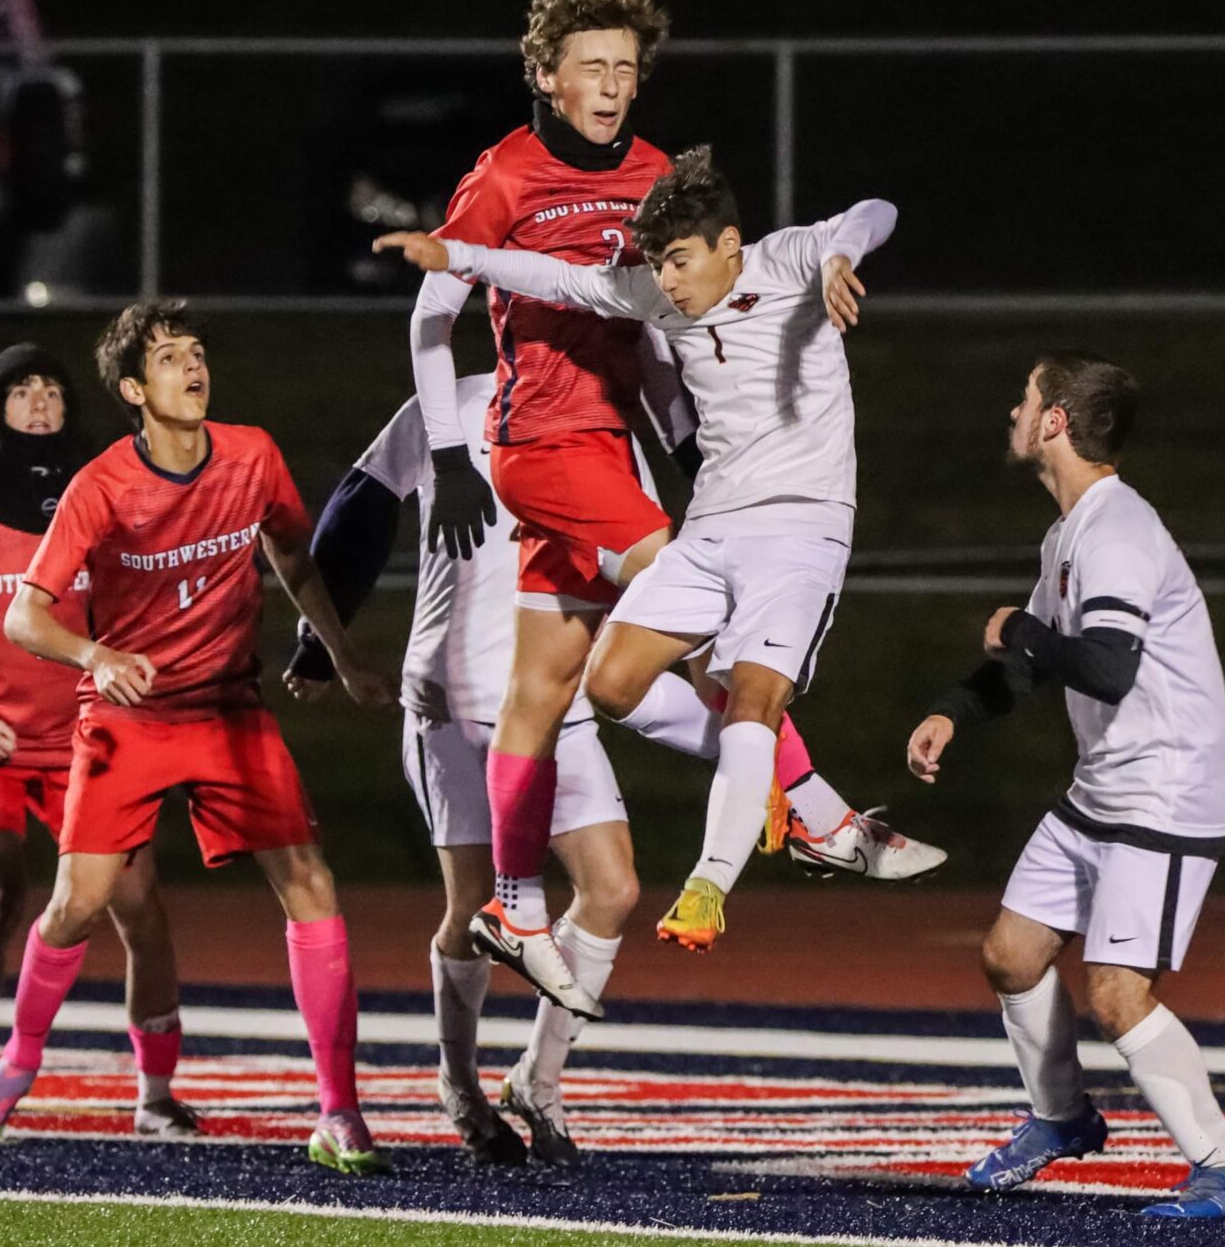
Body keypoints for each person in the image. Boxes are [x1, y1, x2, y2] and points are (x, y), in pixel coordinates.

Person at [285, 371, 911, 1160]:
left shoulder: (610, 426)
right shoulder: (450, 399)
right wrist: (319, 645)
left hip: (560, 697)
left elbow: (656, 581)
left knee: (612, 889)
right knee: (475, 910)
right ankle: (459, 1081)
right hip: (456, 702)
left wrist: (773, 754)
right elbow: (358, 512)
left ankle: (538, 1079)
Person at [403, 0, 876, 1010]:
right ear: (545, 76)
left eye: (627, 68)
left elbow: (669, 334)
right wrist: (445, 453)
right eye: (592, 68)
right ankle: (812, 804)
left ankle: (515, 902)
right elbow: (432, 314)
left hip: (605, 451)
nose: (613, 86)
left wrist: (678, 441)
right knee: (694, 601)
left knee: (542, 688)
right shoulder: (504, 175)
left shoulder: (658, 178)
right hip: (541, 444)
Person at [377, 148, 945, 957]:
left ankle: (711, 881)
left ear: (730, 245)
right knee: (609, 683)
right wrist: (456, 255)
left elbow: (875, 206)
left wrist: (843, 255)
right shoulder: (654, 291)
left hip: (802, 532)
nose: (669, 282)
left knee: (751, 696)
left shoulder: (787, 258)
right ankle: (816, 817)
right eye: (659, 264)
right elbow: (560, 280)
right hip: (714, 528)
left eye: (681, 260)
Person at [0, 301, 400, 1175]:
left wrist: (340, 656)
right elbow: (24, 614)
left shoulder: (253, 452)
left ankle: (340, 1111)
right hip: (131, 716)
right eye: (169, 358)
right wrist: (97, 653)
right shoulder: (101, 485)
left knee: (313, 885)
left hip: (231, 708)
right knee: (77, 904)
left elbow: (295, 557)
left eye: (197, 353)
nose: (193, 367)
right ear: (133, 389)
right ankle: (17, 1062)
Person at [906, 354, 1225, 1222]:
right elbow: (1031, 662)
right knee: (1011, 952)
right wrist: (955, 711)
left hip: (1167, 790)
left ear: (1057, 421)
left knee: (1114, 990)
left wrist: (1022, 627)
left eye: (1025, 399)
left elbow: (1104, 666)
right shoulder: (1069, 532)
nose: (1013, 410)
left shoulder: (1116, 531)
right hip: (1107, 784)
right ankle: (1061, 1117)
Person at [0, 344, 196, 1145]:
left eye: (53, 389)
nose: (42, 404)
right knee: (3, 896)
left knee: (141, 909)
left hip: (90, 743)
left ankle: (155, 1095)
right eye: (22, 392)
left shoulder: (102, 507)